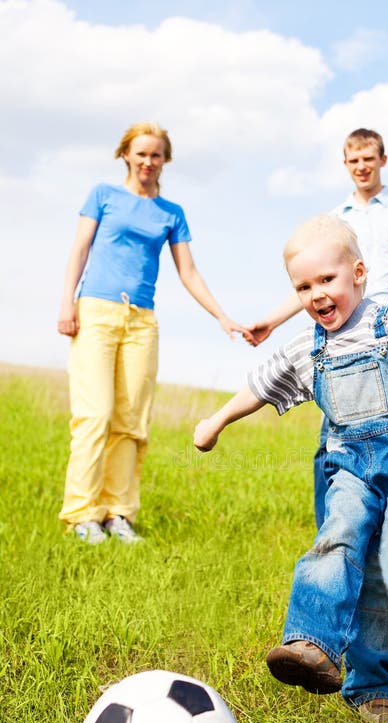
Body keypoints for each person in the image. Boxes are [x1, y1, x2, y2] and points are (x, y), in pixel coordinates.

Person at [194, 215, 388, 723]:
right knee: (337, 539)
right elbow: (260, 384)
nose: (316, 294)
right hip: (351, 469)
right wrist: (216, 421)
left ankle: (374, 690)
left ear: (357, 274)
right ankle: (310, 644)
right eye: (303, 286)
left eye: (326, 279)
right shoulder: (306, 347)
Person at [58, 122, 249, 544]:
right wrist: (66, 303)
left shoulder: (171, 213)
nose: (148, 161)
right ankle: (82, 515)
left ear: (165, 160)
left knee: (131, 421)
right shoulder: (103, 196)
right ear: (125, 154)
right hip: (96, 312)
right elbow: (79, 250)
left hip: (141, 321)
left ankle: (118, 514)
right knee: (95, 415)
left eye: (156, 155)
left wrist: (222, 316)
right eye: (141, 153)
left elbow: (189, 272)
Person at [245, 127, 388, 527]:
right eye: (354, 160)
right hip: (344, 338)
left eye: (368, 159)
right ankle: (334, 531)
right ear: (345, 164)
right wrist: (272, 321)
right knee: (334, 439)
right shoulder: (336, 219)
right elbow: (317, 286)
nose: (361, 166)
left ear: (382, 160)